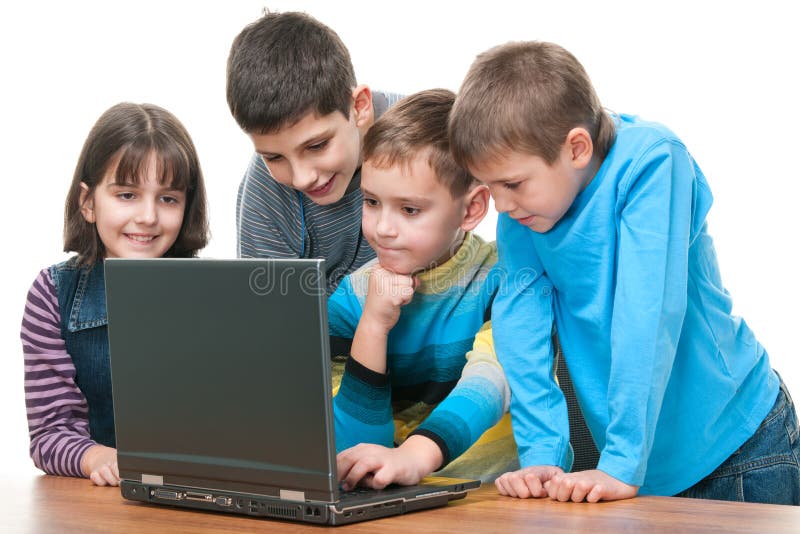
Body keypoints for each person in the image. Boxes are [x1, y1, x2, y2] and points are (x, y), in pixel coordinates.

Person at [448, 41, 800, 505]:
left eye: (512, 184)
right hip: (640, 468)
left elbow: (647, 315)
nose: (504, 205)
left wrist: (620, 461)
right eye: (491, 188)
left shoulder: (653, 162)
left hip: (736, 448)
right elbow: (521, 326)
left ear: (577, 147)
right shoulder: (525, 212)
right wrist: (541, 456)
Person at [330, 89, 516, 490]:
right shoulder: (351, 297)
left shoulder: (505, 278)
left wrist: (413, 456)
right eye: (372, 202)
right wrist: (373, 327)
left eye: (409, 209)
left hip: (494, 496)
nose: (383, 228)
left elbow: (493, 379)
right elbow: (350, 450)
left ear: (470, 209)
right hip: (393, 500)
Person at [20, 103, 209, 486]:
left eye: (168, 198)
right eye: (127, 195)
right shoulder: (52, 296)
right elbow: (49, 433)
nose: (148, 216)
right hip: (106, 502)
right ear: (88, 202)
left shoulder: (213, 292)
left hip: (197, 494)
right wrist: (96, 457)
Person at [226, 11, 402, 294]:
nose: (302, 178)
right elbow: (271, 317)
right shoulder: (264, 193)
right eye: (274, 157)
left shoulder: (424, 136)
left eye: (317, 146)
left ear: (359, 107)